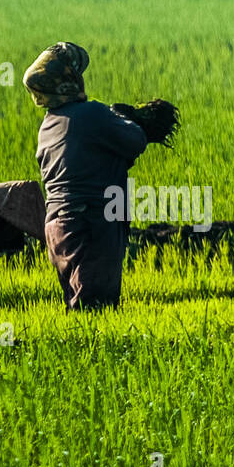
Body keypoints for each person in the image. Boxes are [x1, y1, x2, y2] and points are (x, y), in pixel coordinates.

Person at [25, 41, 148, 310]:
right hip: (90, 224)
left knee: (77, 306)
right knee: (96, 309)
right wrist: (122, 118)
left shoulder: (47, 125)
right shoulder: (92, 114)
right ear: (68, 80)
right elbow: (135, 140)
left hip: (57, 228)